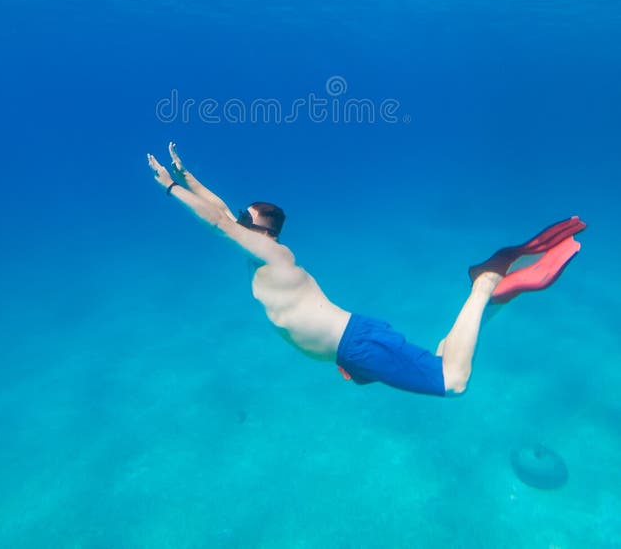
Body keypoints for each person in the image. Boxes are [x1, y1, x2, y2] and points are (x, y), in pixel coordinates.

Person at [147, 143, 585, 398]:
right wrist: (186, 174)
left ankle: (484, 284)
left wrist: (169, 185)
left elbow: (220, 222)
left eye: (249, 218)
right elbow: (223, 211)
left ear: (266, 231)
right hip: (350, 349)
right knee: (439, 358)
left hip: (355, 345)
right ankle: (496, 295)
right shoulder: (257, 249)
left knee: (453, 381)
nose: (241, 218)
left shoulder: (274, 255)